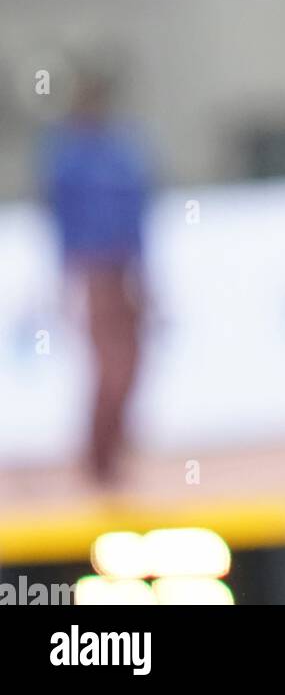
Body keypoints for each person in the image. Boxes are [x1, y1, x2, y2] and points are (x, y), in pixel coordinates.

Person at [38, 68, 152, 486]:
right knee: (111, 368)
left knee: (134, 362)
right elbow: (61, 222)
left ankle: (113, 446)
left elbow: (138, 216)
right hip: (94, 270)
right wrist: (67, 277)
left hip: (125, 268)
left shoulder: (123, 150)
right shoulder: (67, 156)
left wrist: (144, 275)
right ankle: (98, 458)